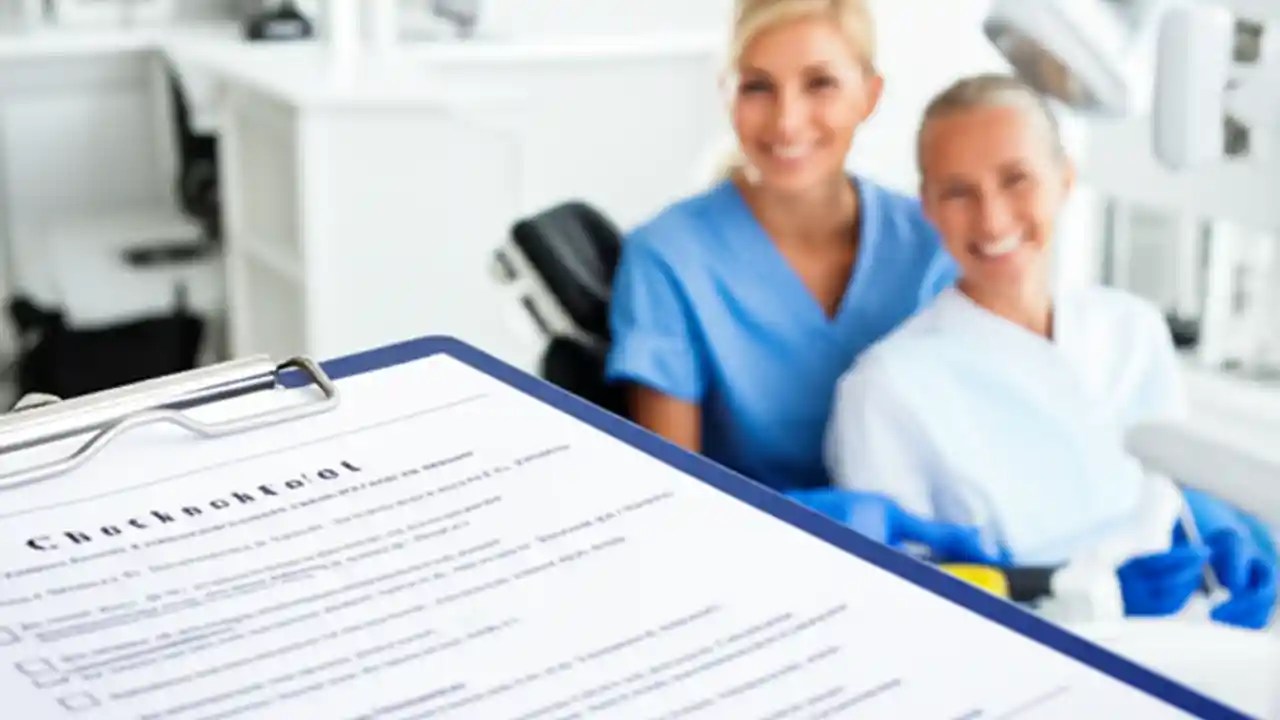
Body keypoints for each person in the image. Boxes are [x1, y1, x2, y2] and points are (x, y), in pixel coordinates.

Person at [825, 73, 1277, 629]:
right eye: (959, 192)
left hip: (1199, 630)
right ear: (929, 209)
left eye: (1016, 179)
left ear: (1065, 178)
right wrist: (1086, 598)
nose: (992, 219)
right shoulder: (884, 389)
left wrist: (1226, 542)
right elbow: (907, 610)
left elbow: (1177, 500)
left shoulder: (1132, 328)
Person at [604, 0, 998, 562]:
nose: (787, 120)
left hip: (928, 562)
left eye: (820, 84)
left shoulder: (932, 244)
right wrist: (793, 521)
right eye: (758, 87)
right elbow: (670, 502)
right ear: (727, 95)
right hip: (745, 565)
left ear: (870, 94)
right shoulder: (667, 259)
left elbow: (983, 443)